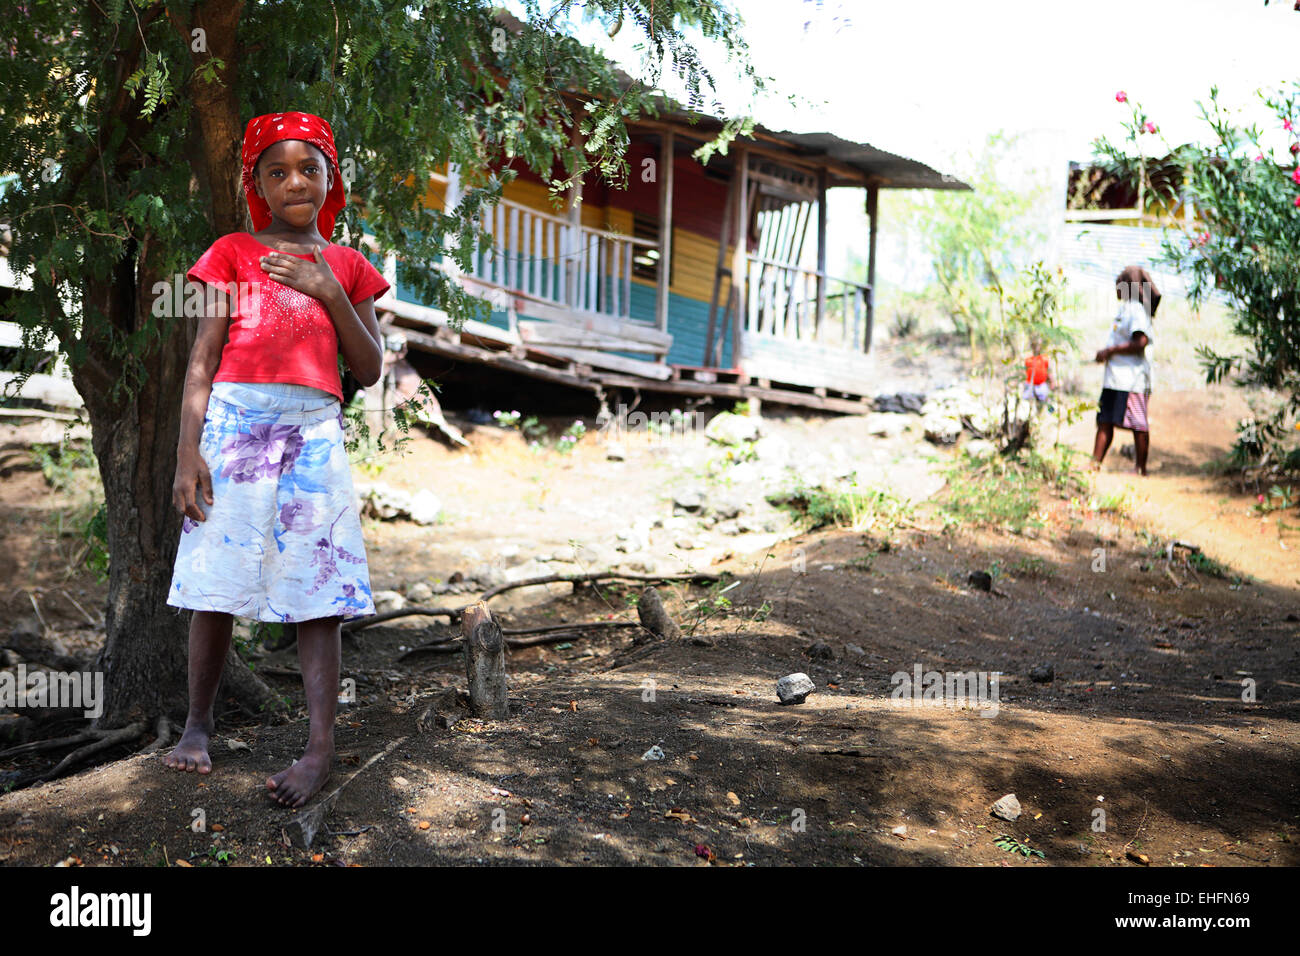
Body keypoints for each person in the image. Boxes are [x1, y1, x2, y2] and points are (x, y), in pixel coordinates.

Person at [163, 111, 390, 808]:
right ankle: (197, 726)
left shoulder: (347, 265)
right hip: (233, 427)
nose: (295, 181)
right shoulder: (232, 251)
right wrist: (185, 456)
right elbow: (201, 362)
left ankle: (319, 749)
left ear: (331, 178)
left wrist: (327, 290)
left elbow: (372, 368)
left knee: (317, 594)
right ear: (256, 183)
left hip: (314, 429)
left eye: (309, 168)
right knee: (214, 584)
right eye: (277, 171)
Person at [1092, 264, 1159, 475]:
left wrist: (1110, 351)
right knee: (1104, 420)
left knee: (1137, 423)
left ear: (1127, 285)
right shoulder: (1126, 308)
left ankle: (1141, 468)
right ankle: (1095, 463)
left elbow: (1141, 341)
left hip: (1132, 379)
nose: (1115, 289)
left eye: (1118, 284)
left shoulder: (1136, 310)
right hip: (1116, 378)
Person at [1022, 340, 1054, 411]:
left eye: (1038, 346)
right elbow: (1023, 373)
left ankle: (1050, 414)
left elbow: (1049, 371)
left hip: (1041, 385)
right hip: (1030, 385)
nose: (1036, 348)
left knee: (1048, 400)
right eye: (1034, 346)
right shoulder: (1028, 360)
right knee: (1025, 401)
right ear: (1032, 347)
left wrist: (1052, 382)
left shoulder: (1044, 358)